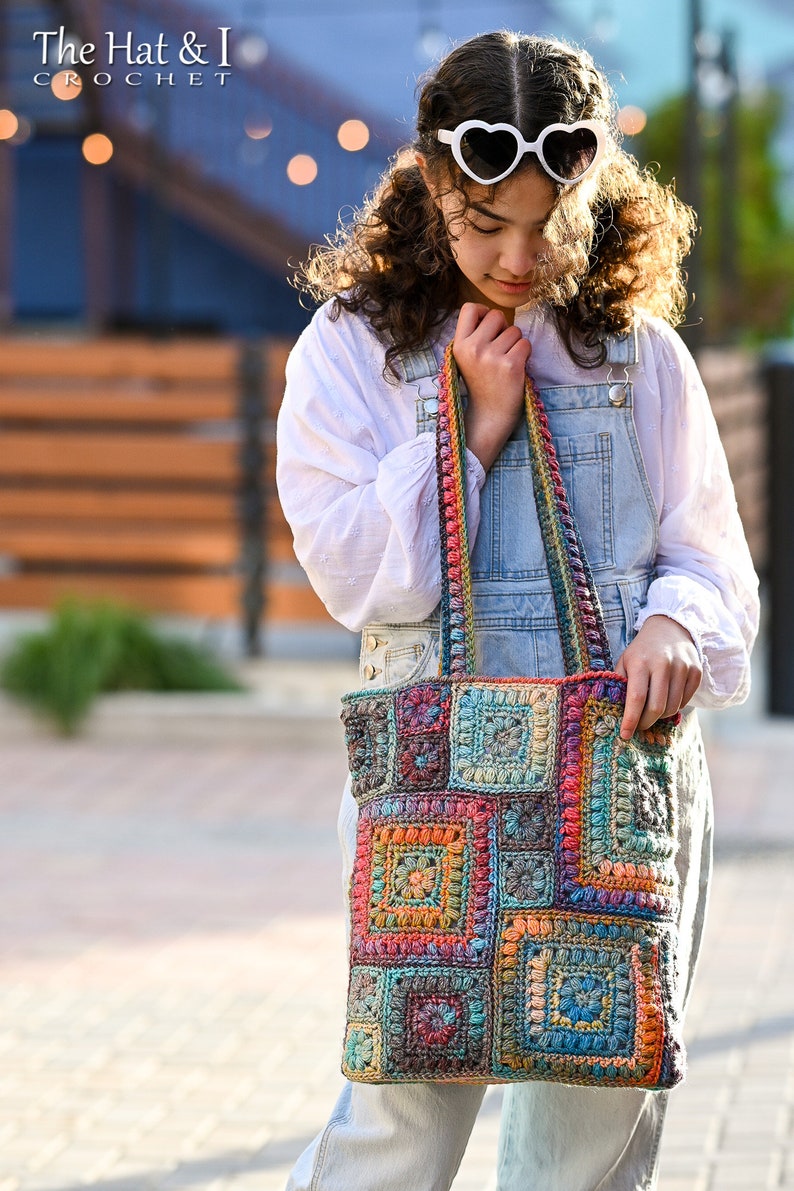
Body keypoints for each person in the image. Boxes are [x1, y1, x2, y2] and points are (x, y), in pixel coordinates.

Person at [276, 30, 759, 1191]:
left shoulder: (635, 356)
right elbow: (357, 577)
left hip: (617, 778)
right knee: (399, 1116)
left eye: (548, 223)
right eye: (483, 223)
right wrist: (472, 428)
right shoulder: (352, 351)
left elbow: (709, 554)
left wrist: (673, 627)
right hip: (436, 788)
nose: (516, 255)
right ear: (432, 187)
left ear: (593, 197)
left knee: (591, 1126)